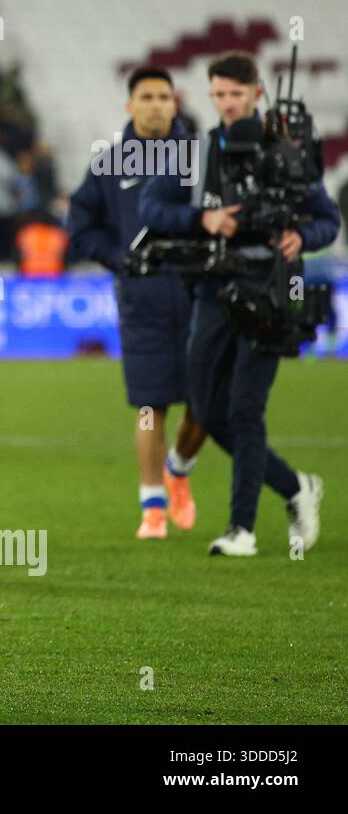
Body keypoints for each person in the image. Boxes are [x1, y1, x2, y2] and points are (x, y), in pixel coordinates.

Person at [139, 51, 339, 556]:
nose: (227, 104)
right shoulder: (195, 152)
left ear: (256, 94)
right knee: (206, 411)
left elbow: (327, 219)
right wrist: (202, 221)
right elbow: (151, 207)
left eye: (235, 94)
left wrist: (301, 236)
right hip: (214, 289)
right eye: (219, 95)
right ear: (210, 97)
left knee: (246, 409)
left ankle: (241, 530)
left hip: (273, 290)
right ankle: (296, 488)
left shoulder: (286, 151)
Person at [67, 67, 207, 539]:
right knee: (149, 407)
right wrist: (119, 260)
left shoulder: (202, 158)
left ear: (175, 102)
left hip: (199, 296)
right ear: (130, 106)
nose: (155, 105)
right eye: (145, 96)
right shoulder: (110, 163)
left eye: (163, 96)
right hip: (141, 300)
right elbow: (80, 226)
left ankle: (179, 470)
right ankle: (152, 505)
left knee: (204, 405)